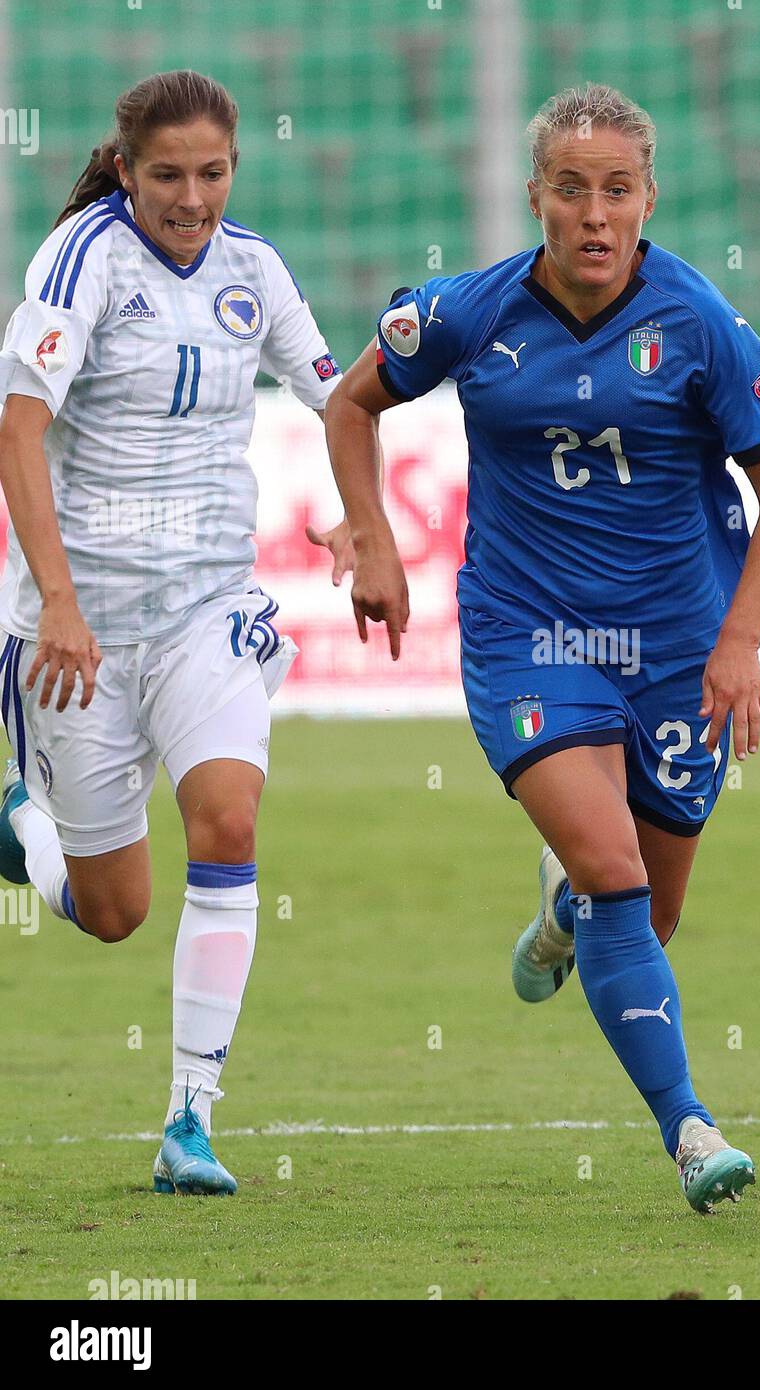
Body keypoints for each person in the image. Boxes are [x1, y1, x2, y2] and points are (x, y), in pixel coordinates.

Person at [325, 83, 760, 1213]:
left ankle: (560, 921)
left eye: (617, 191)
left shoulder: (693, 319)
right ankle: (689, 1129)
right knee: (614, 873)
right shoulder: (469, 310)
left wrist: (740, 640)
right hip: (529, 634)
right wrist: (374, 541)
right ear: (534, 196)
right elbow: (349, 406)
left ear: (648, 199)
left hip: (677, 650)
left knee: (645, 912)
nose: (594, 215)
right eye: (569, 189)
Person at [0, 70, 350, 1195]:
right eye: (166, 175)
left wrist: (368, 520)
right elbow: (18, 425)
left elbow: (342, 397)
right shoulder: (84, 260)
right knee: (114, 912)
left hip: (207, 607)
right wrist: (57, 598)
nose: (190, 198)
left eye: (210, 174)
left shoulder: (254, 270)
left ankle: (189, 1118)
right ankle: (23, 836)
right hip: (77, 631)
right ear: (126, 167)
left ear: (233, 168)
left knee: (229, 817)